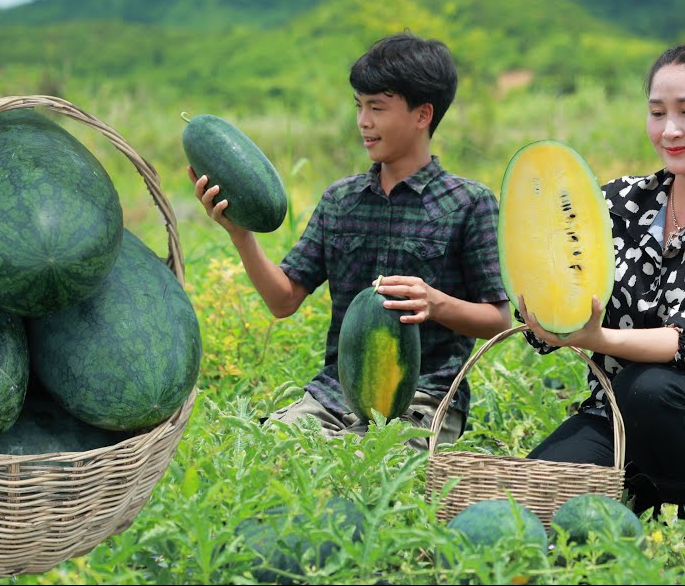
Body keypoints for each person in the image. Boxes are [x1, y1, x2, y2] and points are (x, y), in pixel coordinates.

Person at [189, 31, 511, 449]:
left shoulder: (470, 204)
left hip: (424, 400)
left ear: (422, 115)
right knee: (266, 453)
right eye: (359, 106)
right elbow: (282, 300)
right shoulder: (340, 200)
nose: (363, 121)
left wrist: (435, 303)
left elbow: (499, 321)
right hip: (332, 397)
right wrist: (240, 233)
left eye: (377, 108)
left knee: (381, 470)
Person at [516, 43, 685, 517]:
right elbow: (563, 287)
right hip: (616, 414)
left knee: (652, 387)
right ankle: (639, 484)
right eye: (657, 112)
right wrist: (545, 314)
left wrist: (599, 337)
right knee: (526, 498)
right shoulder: (618, 201)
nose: (670, 130)